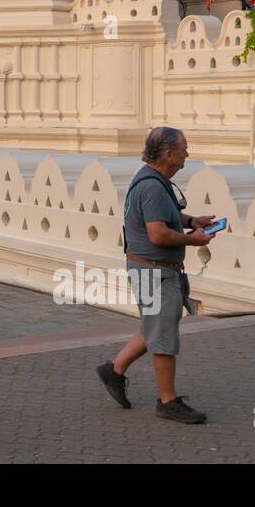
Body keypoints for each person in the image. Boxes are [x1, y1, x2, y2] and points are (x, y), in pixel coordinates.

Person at [97, 127, 214, 425]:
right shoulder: (152, 186)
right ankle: (168, 401)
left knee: (156, 324)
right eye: (184, 149)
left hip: (151, 269)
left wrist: (190, 220)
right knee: (162, 334)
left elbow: (163, 216)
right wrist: (194, 239)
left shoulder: (153, 180)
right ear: (168, 154)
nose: (187, 153)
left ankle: (115, 369)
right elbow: (158, 233)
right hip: (153, 270)